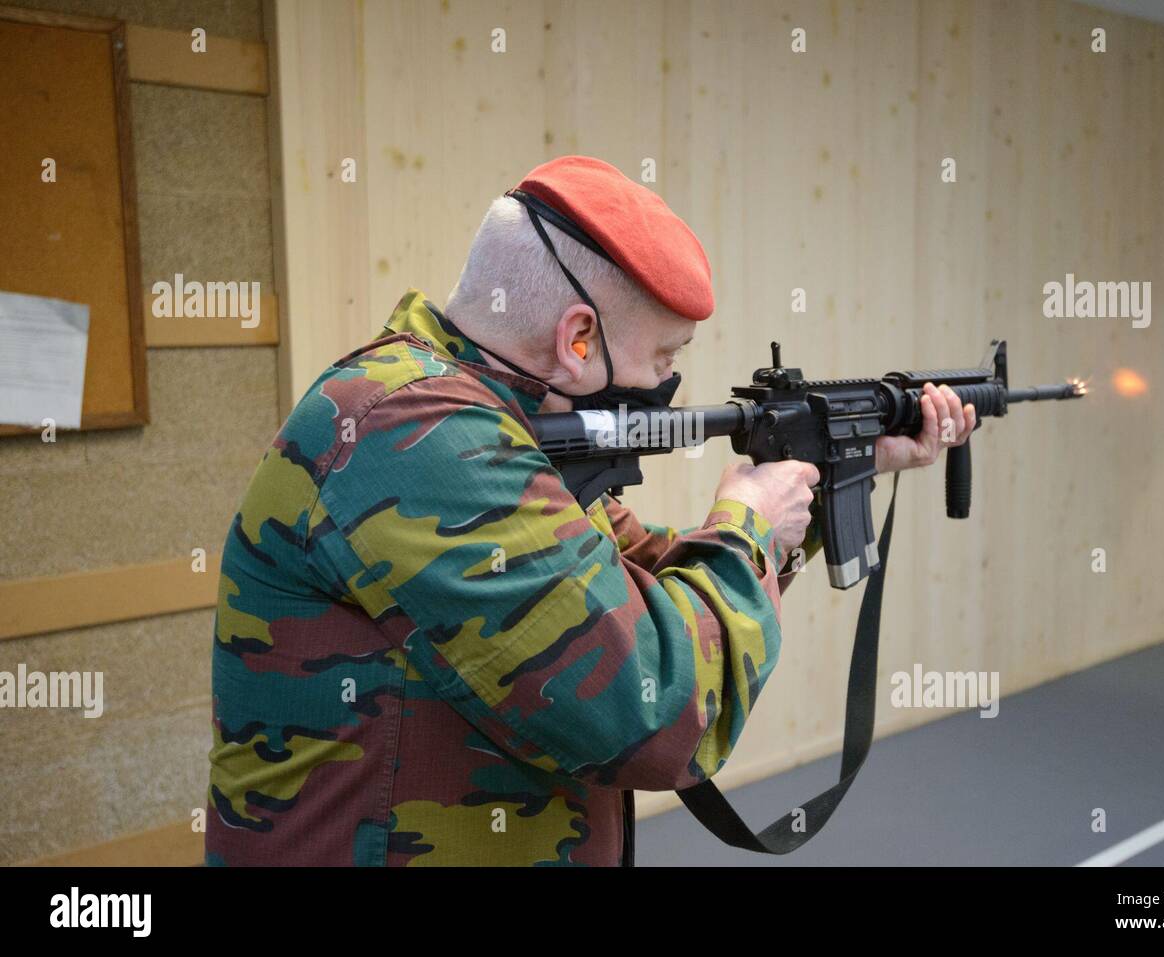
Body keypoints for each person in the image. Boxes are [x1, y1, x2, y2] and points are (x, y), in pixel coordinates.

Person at [205, 155, 975, 866]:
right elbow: (655, 704)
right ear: (579, 338)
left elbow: (643, 578)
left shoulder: (496, 419)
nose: (668, 380)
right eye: (666, 358)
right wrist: (745, 525)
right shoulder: (414, 432)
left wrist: (844, 466)